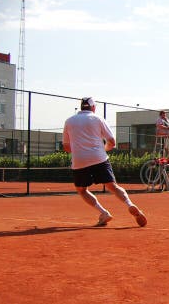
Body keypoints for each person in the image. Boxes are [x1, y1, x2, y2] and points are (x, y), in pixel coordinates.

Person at [63, 97, 147, 227]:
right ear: (93, 107)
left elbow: (66, 147)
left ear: (81, 107)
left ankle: (104, 213)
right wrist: (104, 150)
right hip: (99, 157)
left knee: (82, 190)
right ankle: (130, 204)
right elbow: (112, 141)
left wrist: (79, 151)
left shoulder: (69, 121)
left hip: (79, 160)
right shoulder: (97, 119)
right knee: (113, 186)